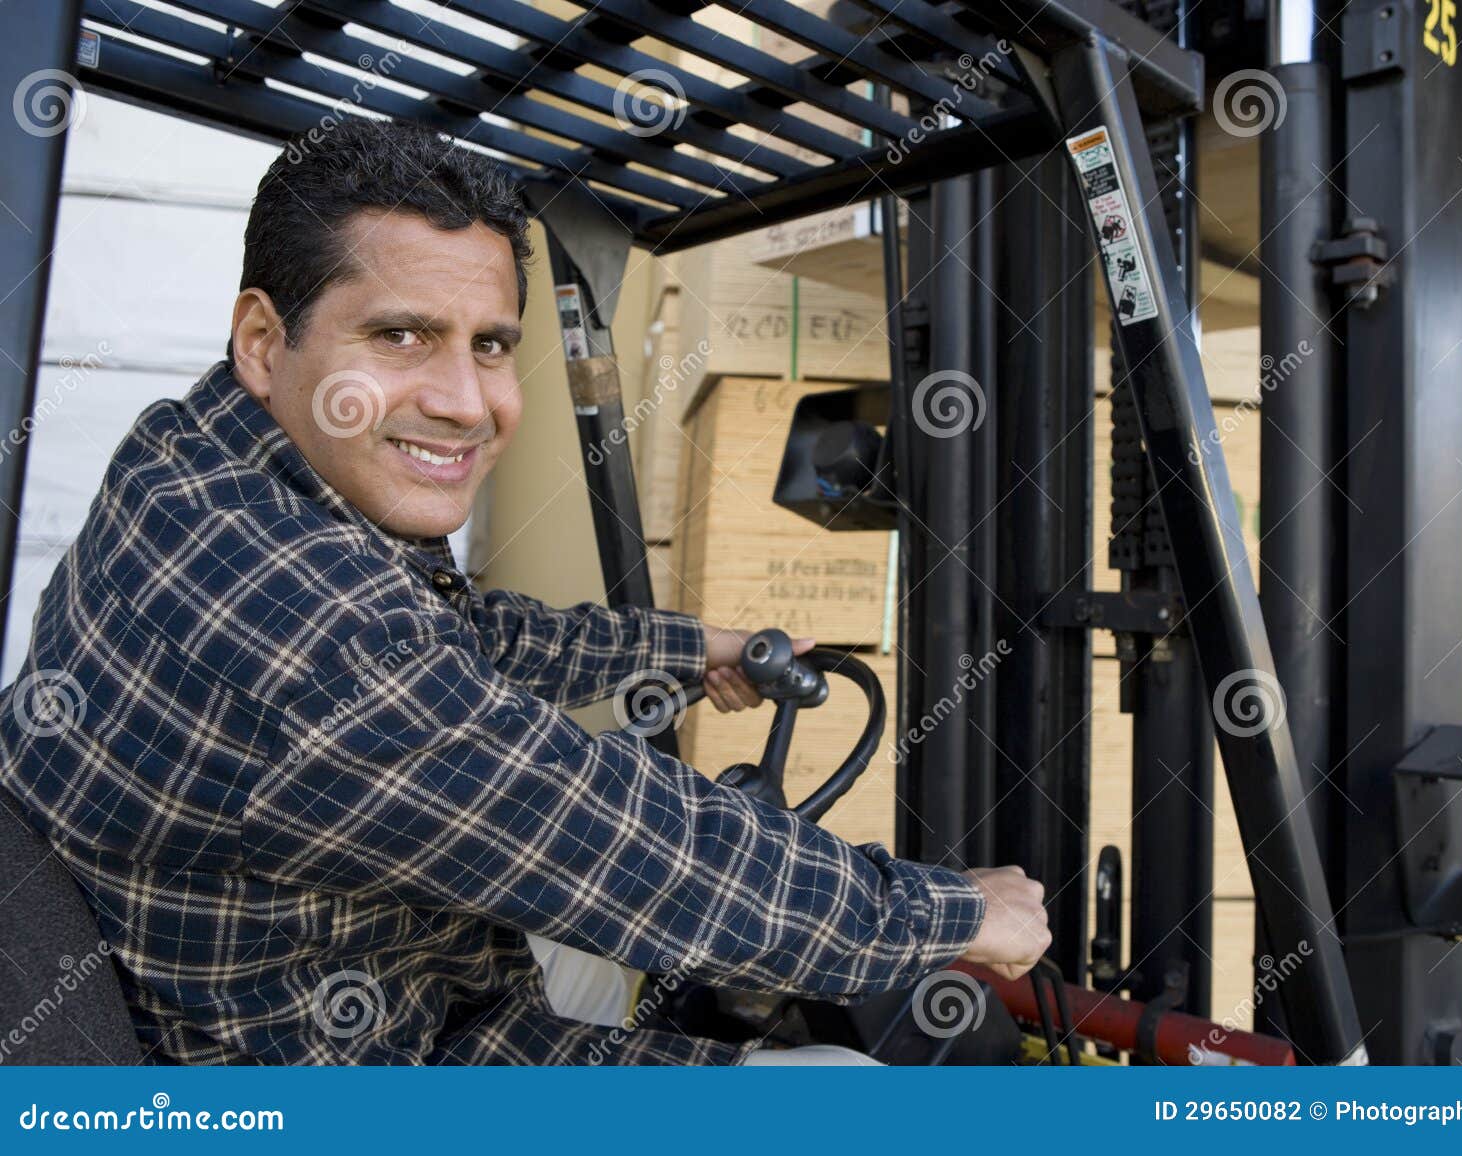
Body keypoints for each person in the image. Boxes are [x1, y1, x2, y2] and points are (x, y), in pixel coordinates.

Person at [0, 118, 1049, 1065]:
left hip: (325, 960)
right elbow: (628, 840)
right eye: (400, 335)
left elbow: (457, 638)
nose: (464, 403)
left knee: (636, 954)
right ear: (266, 339)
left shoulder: (193, 460)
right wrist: (947, 912)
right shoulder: (313, 638)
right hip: (349, 1068)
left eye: (490, 344)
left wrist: (682, 649)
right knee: (847, 1087)